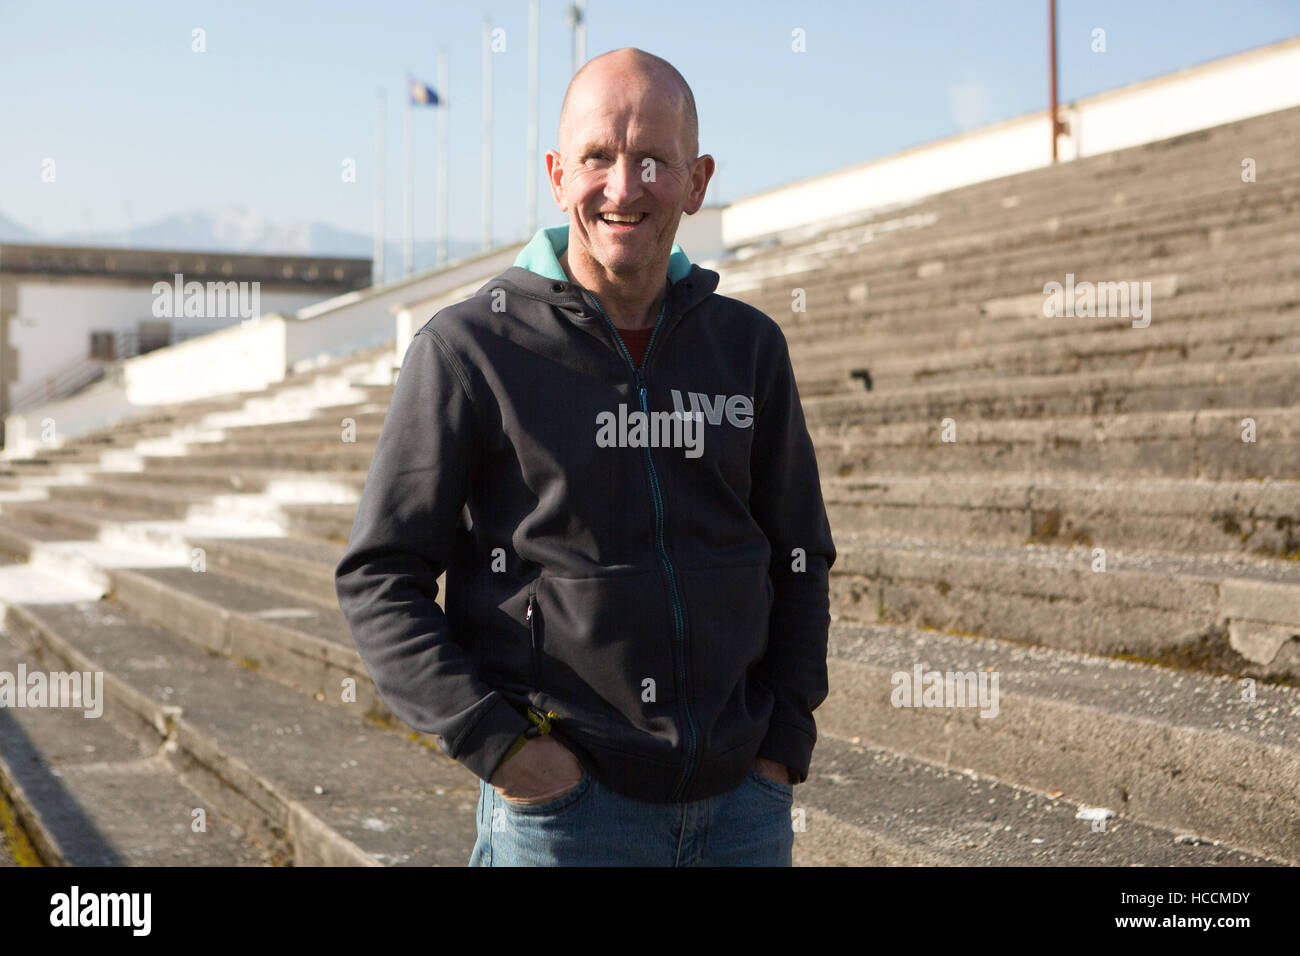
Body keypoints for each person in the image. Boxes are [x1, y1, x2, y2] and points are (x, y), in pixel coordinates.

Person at [334, 47, 836, 866]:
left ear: (699, 180)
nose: (623, 186)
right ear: (557, 174)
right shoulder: (470, 348)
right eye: (598, 157)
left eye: (653, 161)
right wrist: (505, 750)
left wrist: (781, 743)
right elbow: (378, 576)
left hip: (742, 812)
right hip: (567, 822)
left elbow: (799, 553)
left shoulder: (748, 348)